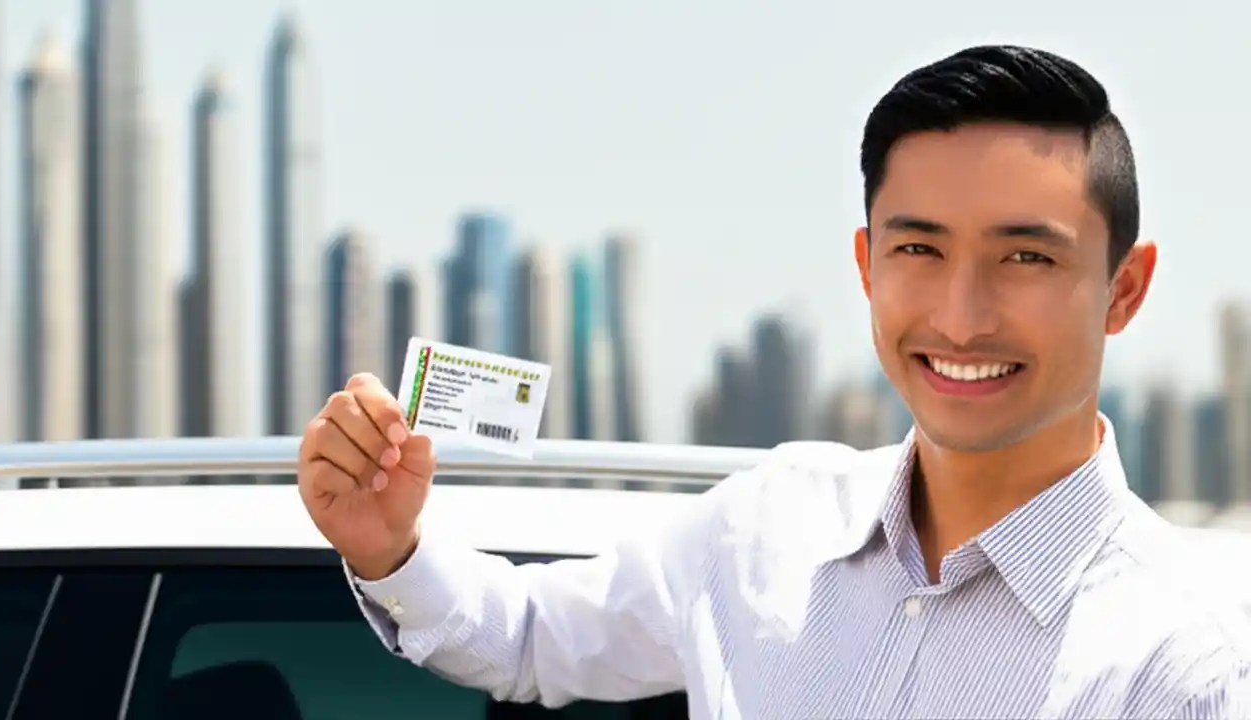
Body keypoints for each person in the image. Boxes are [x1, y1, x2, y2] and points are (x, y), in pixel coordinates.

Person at [296, 45, 1251, 718]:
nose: (961, 317)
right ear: (867, 265)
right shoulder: (763, 529)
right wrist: (392, 551)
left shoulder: (1188, 662)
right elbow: (529, 639)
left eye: (1025, 260)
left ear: (1124, 289)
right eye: (919, 247)